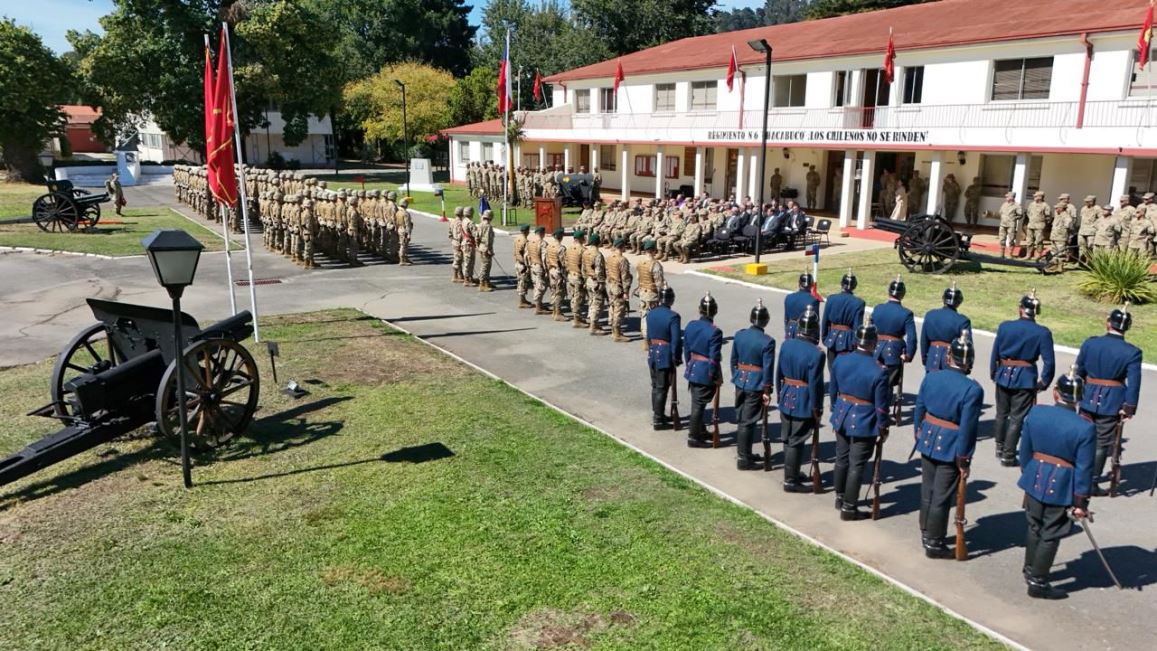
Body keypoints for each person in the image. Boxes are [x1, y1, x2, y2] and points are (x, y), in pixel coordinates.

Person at [1017, 370, 1095, 599]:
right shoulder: (1085, 427)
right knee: (1051, 532)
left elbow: (1025, 451)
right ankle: (1038, 582)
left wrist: (1029, 472)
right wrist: (1081, 501)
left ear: (1055, 394)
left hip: (1034, 475)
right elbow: (1084, 468)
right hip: (1061, 484)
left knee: (1034, 526)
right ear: (1079, 398)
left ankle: (1030, 569)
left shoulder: (1037, 413)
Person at [913, 331, 982, 559]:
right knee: (941, 496)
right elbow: (967, 428)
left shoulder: (932, 376)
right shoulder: (972, 389)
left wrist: (918, 432)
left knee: (928, 490)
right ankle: (934, 542)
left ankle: (926, 529)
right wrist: (964, 458)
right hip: (951, 445)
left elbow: (920, 407)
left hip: (928, 436)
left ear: (948, 356)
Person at [1075, 304, 1142, 496]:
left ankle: (1078, 476)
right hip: (1111, 402)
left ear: (1108, 323)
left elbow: (1079, 371)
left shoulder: (1091, 343)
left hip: (1087, 397)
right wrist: (1129, 407)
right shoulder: (1132, 352)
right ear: (1126, 328)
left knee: (1083, 438)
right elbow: (1134, 383)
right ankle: (1091, 482)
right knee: (1102, 443)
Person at [829, 324, 891, 521]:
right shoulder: (879, 371)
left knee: (841, 458)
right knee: (856, 465)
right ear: (874, 343)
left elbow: (833, 390)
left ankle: (840, 496)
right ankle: (849, 506)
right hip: (865, 420)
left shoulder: (841, 360)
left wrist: (835, 409)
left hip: (842, 413)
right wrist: (883, 427)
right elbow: (881, 406)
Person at [991, 290, 1055, 466]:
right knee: (1017, 418)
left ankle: (999, 446)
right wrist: (1044, 382)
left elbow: (995, 352)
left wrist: (993, 372)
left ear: (1021, 309)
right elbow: (1049, 362)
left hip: (1003, 374)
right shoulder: (1042, 333)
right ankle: (1008, 454)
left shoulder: (1005, 326)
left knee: (1001, 414)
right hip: (1025, 379)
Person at [776, 305, 825, 493]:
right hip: (803, 399)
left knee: (788, 438)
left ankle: (793, 473)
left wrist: (780, 393)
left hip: (787, 394)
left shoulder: (787, 344)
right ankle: (790, 480)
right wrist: (817, 407)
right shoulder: (816, 353)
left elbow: (778, 373)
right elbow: (815, 384)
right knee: (796, 440)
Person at [732, 299, 776, 470]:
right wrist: (767, 389)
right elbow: (768, 367)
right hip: (755, 383)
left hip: (740, 380)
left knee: (744, 419)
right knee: (747, 422)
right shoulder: (767, 341)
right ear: (765, 321)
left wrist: (737, 376)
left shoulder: (740, 334)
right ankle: (743, 458)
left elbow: (734, 360)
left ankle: (746, 453)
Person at [683, 292, 724, 450]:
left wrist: (690, 365)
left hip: (693, 367)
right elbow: (714, 357)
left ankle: (699, 430)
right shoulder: (715, 331)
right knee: (698, 406)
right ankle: (693, 437)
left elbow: (686, 350)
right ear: (715, 311)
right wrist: (713, 375)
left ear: (700, 309)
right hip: (705, 371)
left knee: (697, 402)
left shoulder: (691, 325)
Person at [872, 275, 917, 419]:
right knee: (887, 385)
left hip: (876, 350)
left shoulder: (878, 308)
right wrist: (908, 354)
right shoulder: (906, 313)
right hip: (894, 352)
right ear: (902, 295)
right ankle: (882, 414)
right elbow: (912, 337)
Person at [646, 285, 682, 431]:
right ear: (671, 299)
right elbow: (676, 340)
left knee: (655, 386)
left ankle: (658, 413)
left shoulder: (651, 313)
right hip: (665, 354)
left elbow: (648, 336)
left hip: (653, 352)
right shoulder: (673, 316)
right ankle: (658, 419)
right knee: (662, 387)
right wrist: (677, 357)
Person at [822, 269, 865, 374]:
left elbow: (825, 321)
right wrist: (855, 344)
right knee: (845, 372)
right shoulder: (858, 303)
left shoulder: (831, 299)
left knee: (832, 370)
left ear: (841, 284)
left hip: (832, 338)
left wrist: (825, 338)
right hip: (848, 341)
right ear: (854, 286)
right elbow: (857, 327)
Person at [921, 282, 971, 373]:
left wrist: (925, 359)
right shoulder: (963, 321)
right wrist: (968, 366)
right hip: (951, 363)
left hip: (932, 359)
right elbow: (967, 346)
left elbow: (924, 341)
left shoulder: (930, 315)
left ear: (943, 299)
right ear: (959, 302)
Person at [636, 240, 665, 349]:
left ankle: (644, 337)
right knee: (651, 316)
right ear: (653, 250)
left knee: (643, 314)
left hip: (643, 291)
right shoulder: (655, 264)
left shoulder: (640, 262)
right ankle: (648, 340)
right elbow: (659, 282)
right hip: (652, 294)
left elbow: (638, 277)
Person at [605, 237, 633, 342]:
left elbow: (607, 272)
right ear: (621, 246)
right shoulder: (622, 260)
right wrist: (626, 291)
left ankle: (614, 330)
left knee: (612, 307)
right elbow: (625, 277)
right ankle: (617, 333)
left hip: (611, 285)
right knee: (619, 309)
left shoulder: (609, 257)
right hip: (618, 287)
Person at [784, 271, 820, 340]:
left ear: (799, 283)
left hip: (790, 330)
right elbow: (815, 322)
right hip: (805, 332)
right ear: (812, 284)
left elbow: (786, 319)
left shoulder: (789, 297)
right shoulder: (814, 300)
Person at [584, 233, 607, 335]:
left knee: (591, 301)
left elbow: (583, 268)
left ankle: (592, 321)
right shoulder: (598, 255)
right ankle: (593, 326)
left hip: (588, 279)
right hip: (595, 281)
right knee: (597, 303)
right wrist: (601, 282)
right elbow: (599, 270)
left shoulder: (586, 253)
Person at [566, 229, 587, 327]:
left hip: (571, 275)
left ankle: (577, 317)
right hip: (578, 276)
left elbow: (566, 262)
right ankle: (577, 320)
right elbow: (584, 266)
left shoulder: (569, 248)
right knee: (578, 298)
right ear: (581, 238)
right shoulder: (582, 250)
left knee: (574, 296)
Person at [545, 228, 567, 319]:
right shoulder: (561, 248)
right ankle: (558, 313)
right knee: (559, 292)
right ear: (561, 236)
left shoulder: (549, 246)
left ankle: (554, 311)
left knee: (553, 291)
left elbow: (546, 259)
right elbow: (563, 262)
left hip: (551, 270)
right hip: (558, 272)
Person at [1025, 191, 1052, 258]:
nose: (1034, 197)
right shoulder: (1031, 204)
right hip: (1031, 225)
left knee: (1039, 241)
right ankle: (1028, 255)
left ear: (1040, 197)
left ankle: (1038, 256)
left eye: (1036, 196)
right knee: (1029, 241)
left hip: (1039, 226)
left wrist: (1043, 223)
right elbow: (1028, 213)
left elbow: (1048, 217)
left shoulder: (1045, 206)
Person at [998, 192, 1024, 257]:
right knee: (1002, 239)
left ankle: (1010, 254)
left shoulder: (1017, 205)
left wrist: (1013, 218)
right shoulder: (1004, 204)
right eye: (1006, 197)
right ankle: (1002, 254)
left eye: (1007, 197)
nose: (1006, 198)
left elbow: (1020, 215)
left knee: (1011, 239)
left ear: (1012, 197)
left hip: (1011, 225)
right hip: (1003, 224)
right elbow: (1000, 212)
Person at [1050, 193, 1075, 261]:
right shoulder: (1058, 216)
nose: (1055, 209)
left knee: (1061, 253)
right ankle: (1053, 264)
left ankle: (1060, 266)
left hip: (1061, 238)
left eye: (1057, 208)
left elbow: (1070, 228)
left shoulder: (1067, 217)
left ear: (1061, 208)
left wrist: (1069, 237)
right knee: (1053, 252)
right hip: (1054, 237)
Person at [513, 224, 532, 308]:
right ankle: (521, 301)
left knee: (520, 281)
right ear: (527, 231)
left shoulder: (517, 238)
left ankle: (523, 299)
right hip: (522, 264)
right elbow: (522, 253)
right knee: (523, 282)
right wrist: (526, 264)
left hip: (517, 263)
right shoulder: (524, 240)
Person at [460, 207, 478, 286]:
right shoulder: (470, 222)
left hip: (465, 242)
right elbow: (475, 234)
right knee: (468, 261)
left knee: (468, 261)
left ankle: (469, 277)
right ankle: (467, 279)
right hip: (469, 243)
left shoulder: (463, 220)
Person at [449, 206, 464, 282]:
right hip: (458, 242)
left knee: (459, 258)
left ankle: (460, 274)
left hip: (454, 241)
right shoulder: (460, 223)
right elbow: (459, 235)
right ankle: (455, 276)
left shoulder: (452, 221)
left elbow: (449, 233)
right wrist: (461, 242)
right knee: (458, 259)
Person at [397, 197, 414, 266]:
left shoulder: (398, 212)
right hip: (404, 230)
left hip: (400, 229)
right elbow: (408, 224)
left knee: (404, 244)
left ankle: (405, 258)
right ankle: (402, 260)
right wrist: (409, 234)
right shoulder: (405, 213)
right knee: (403, 245)